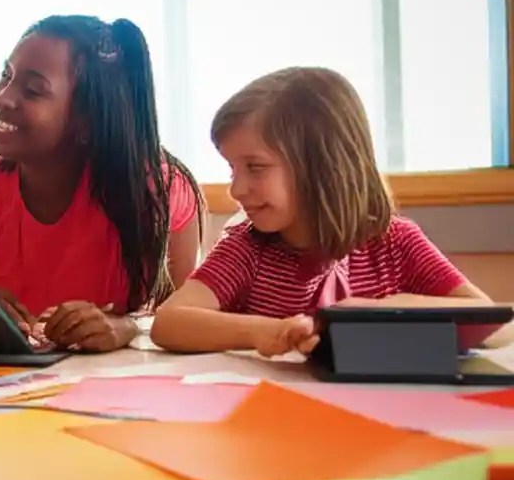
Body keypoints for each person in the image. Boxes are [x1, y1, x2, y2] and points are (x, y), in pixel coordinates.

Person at [0, 15, 204, 353]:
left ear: (87, 120)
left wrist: (126, 327)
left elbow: (190, 317)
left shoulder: (160, 190)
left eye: (32, 90)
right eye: (6, 76)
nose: (3, 98)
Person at [151, 67, 489, 356]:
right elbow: (167, 323)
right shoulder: (246, 249)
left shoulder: (396, 243)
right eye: (232, 170)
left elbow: (492, 320)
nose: (236, 190)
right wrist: (264, 332)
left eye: (255, 167)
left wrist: (386, 310)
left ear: (321, 167)